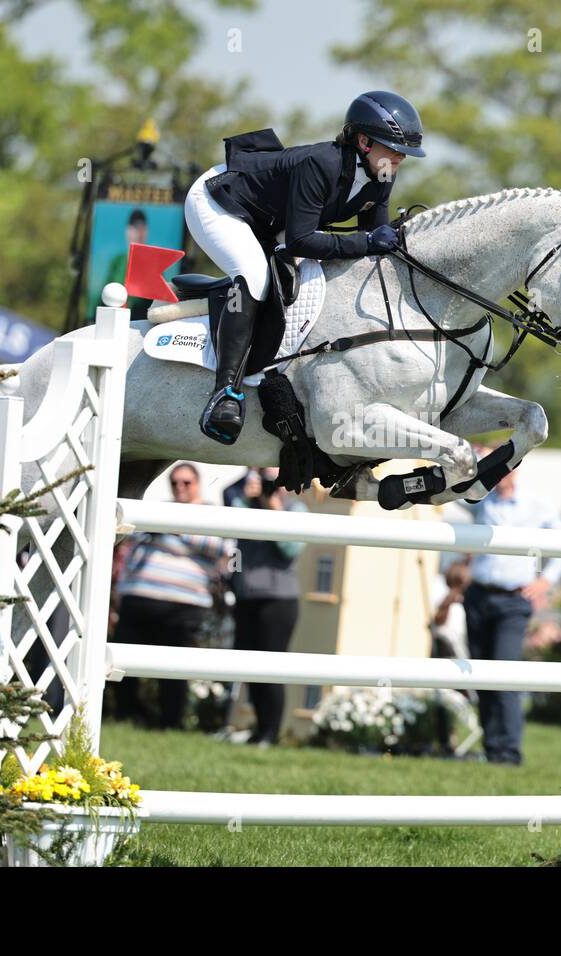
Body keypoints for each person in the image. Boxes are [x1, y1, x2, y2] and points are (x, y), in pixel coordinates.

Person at [183, 91, 426, 445]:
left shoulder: (382, 173)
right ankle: (225, 394)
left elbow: (372, 239)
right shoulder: (321, 164)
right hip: (220, 202)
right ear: (364, 142)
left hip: (271, 217)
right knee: (254, 273)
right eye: (393, 148)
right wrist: (369, 242)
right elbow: (300, 241)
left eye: (403, 152)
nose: (400, 157)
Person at [462, 464, 561, 765]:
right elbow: (451, 491)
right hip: (479, 595)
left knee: (505, 674)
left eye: (502, 467)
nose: (499, 475)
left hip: (513, 600)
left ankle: (509, 752)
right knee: (480, 674)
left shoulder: (536, 505)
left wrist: (545, 581)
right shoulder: (480, 500)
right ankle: (492, 748)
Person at [112, 463, 231, 728]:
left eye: (186, 483)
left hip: (183, 605)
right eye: (175, 482)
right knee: (122, 663)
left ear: (197, 484)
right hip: (138, 598)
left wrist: (172, 528)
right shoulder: (161, 508)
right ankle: (127, 716)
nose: (180, 487)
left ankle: (170, 723)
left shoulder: (213, 513)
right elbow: (134, 541)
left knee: (173, 670)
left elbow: (221, 547)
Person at [229, 467, 307, 746]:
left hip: (279, 600)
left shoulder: (295, 509)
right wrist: (248, 476)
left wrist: (273, 508)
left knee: (271, 669)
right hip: (247, 597)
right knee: (249, 667)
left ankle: (270, 734)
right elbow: (228, 498)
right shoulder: (245, 504)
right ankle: (258, 729)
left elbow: (290, 549)